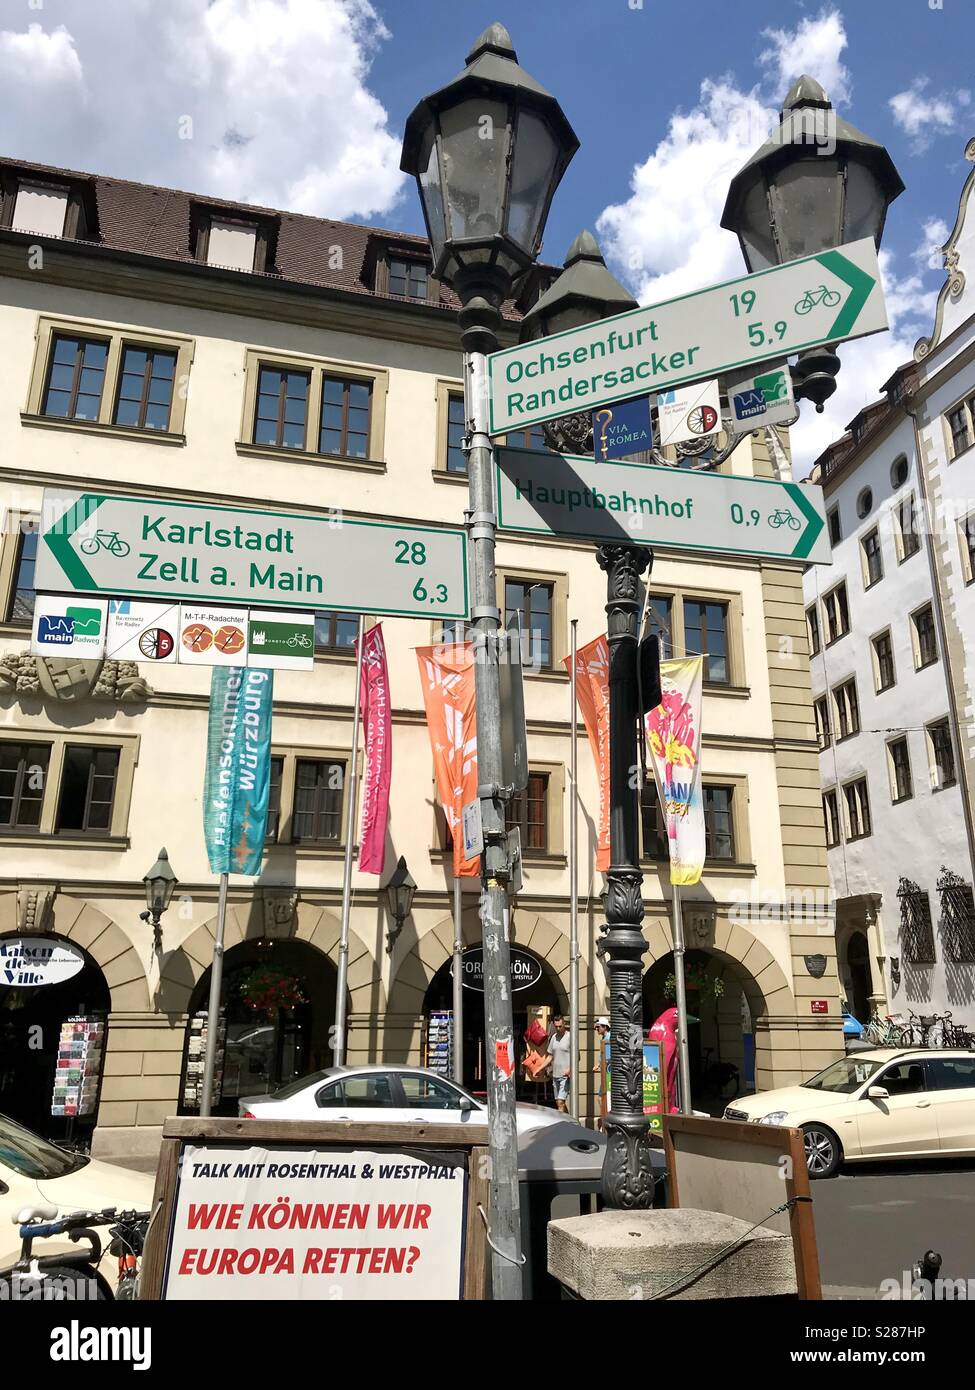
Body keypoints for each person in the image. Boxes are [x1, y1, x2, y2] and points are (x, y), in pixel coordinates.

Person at [541, 1014, 572, 1113]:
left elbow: (577, 1057)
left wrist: (570, 1069)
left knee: (560, 1102)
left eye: (560, 1026)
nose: (558, 1028)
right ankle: (571, 1123)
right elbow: (550, 1056)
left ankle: (562, 1127)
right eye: (556, 1026)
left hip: (565, 1076)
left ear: (564, 1024)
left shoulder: (570, 1037)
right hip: (555, 1075)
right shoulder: (554, 1037)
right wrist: (539, 1068)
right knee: (559, 1102)